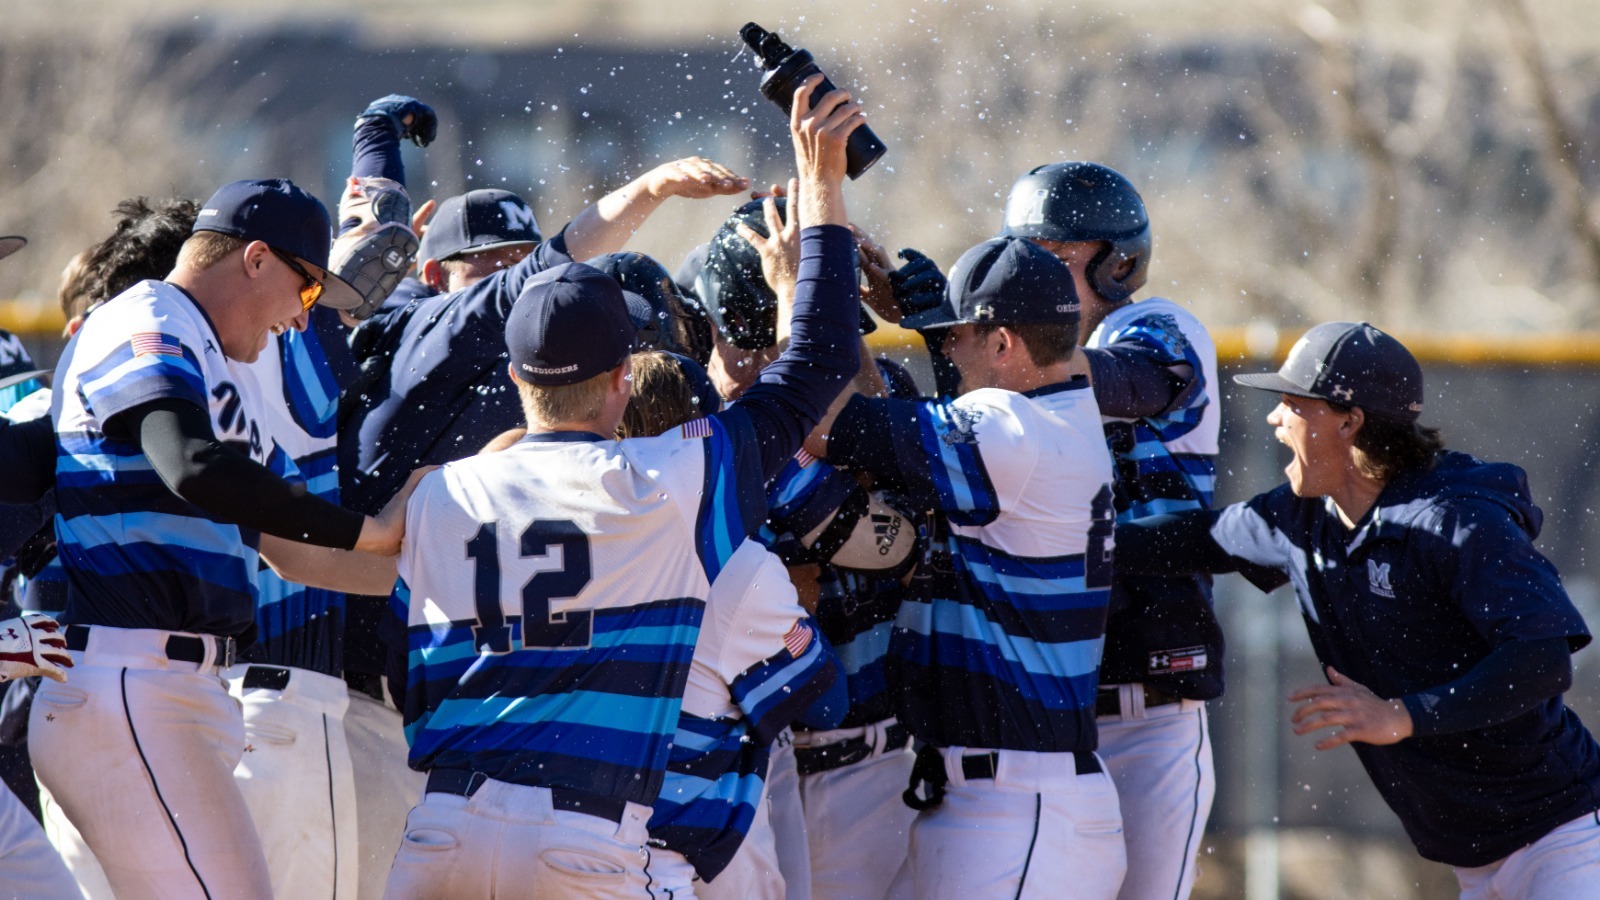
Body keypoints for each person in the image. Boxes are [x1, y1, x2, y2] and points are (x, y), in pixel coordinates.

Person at [379, 75, 865, 900]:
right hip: (582, 839)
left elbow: (404, 667)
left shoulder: (440, 495)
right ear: (619, 380)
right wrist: (820, 182)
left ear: (515, 375)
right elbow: (819, 357)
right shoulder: (667, 481)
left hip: (440, 831)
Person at [1117, 321, 1600, 899]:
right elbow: (1194, 539)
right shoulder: (1305, 517)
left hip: (1567, 840)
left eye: (1293, 404)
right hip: (1478, 861)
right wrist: (1064, 539)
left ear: (1349, 422)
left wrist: (1403, 713)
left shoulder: (1455, 521)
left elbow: (1544, 659)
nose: (1275, 418)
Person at [31, 178, 412, 900]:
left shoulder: (211, 364)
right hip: (127, 683)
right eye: (306, 294)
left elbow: (290, 551)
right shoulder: (149, 314)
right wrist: (370, 528)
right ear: (258, 259)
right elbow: (189, 466)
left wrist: (441, 557)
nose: (301, 323)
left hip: (168, 689)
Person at [812, 234, 1125, 899]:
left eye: (957, 336)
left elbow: (822, 426)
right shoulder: (1053, 415)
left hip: (1017, 811)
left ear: (1005, 343)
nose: (946, 348)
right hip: (1002, 801)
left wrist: (806, 294)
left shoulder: (1014, 429)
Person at [1001, 161, 1222, 900]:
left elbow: (1127, 381)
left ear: (1118, 263)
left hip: (1148, 711)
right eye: (1024, 256)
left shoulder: (1157, 326)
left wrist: (986, 330)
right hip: (1044, 716)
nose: (1032, 276)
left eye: (1055, 258)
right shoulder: (1014, 360)